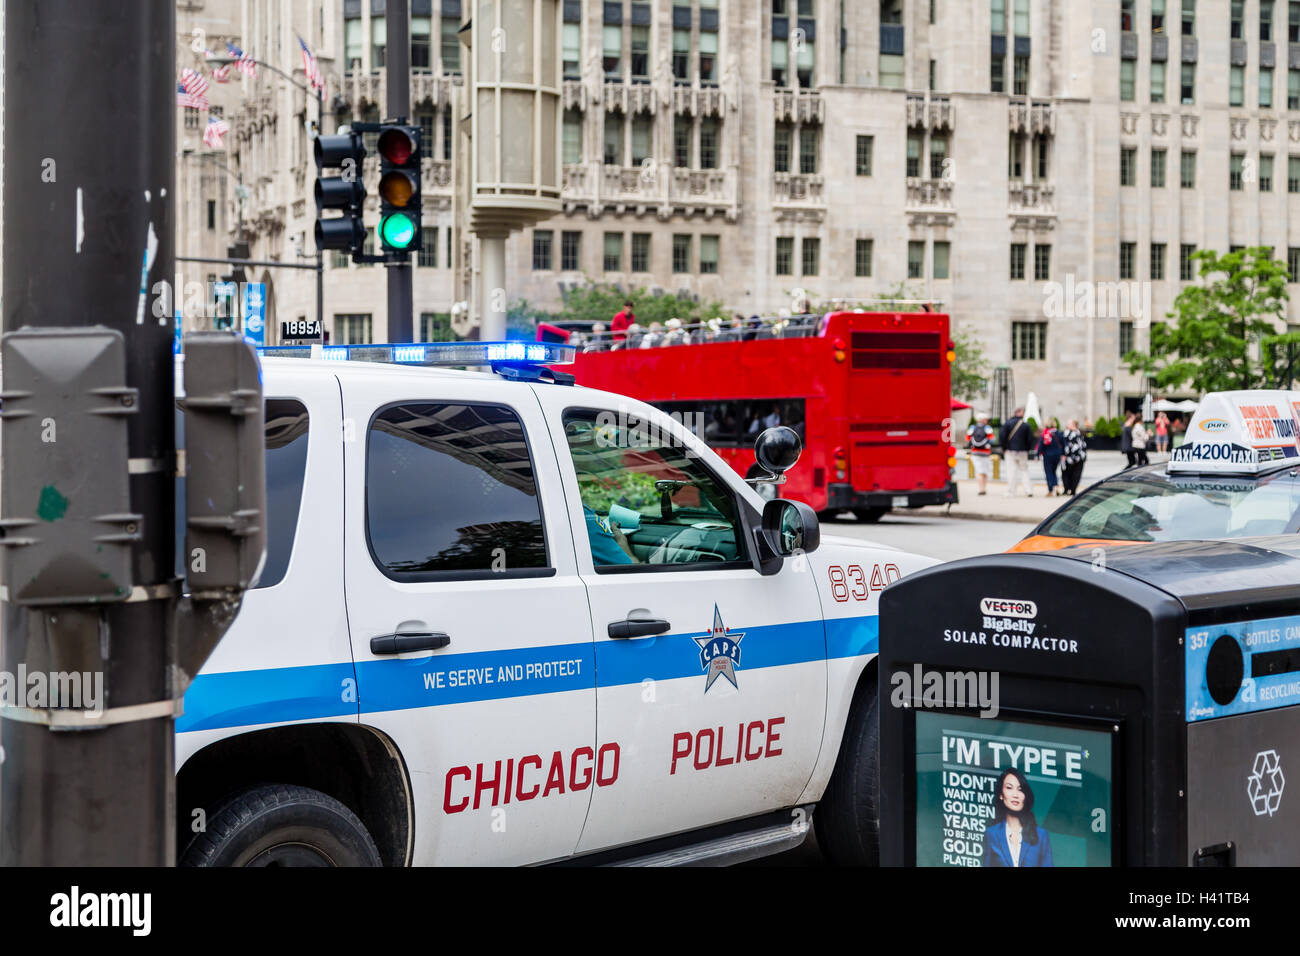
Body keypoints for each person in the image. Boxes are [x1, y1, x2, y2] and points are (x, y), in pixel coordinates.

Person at [982, 768, 1054, 867]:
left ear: (1025, 796)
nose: (1015, 795)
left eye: (1020, 789)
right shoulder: (991, 834)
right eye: (1009, 787)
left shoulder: (1041, 835)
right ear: (1001, 795)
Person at [999, 407, 1036, 497]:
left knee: (1011, 471)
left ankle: (1011, 491)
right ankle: (1028, 490)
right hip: (1023, 451)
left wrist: (1004, 448)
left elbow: (1002, 436)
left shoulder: (1008, 423)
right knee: (1024, 470)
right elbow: (1030, 439)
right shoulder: (1025, 424)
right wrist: (1027, 449)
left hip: (1010, 450)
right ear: (1019, 413)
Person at [966, 412, 995, 496]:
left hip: (975, 452)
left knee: (979, 471)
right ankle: (984, 488)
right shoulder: (988, 428)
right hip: (985, 452)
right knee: (985, 471)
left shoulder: (972, 427)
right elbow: (992, 440)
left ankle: (981, 488)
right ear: (983, 420)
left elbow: (967, 438)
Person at [1060, 418, 1088, 495]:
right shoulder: (1065, 433)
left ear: (1074, 425)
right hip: (1067, 458)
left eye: (1069, 423)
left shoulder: (1078, 433)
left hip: (1078, 458)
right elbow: (1062, 445)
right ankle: (1066, 489)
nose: (1067, 425)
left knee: (1076, 474)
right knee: (1066, 474)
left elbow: (1083, 446)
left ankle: (1073, 490)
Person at [1036, 418, 1063, 496]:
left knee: (1048, 472)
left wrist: (1037, 455)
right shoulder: (1058, 433)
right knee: (1054, 471)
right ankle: (1057, 487)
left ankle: (1050, 490)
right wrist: (1063, 454)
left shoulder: (1045, 433)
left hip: (1048, 456)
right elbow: (1063, 444)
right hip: (1057, 455)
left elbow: (1041, 445)